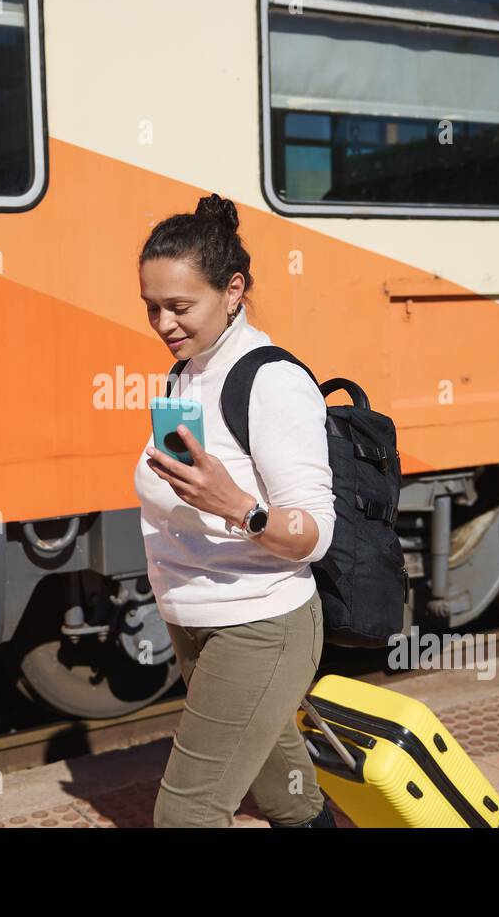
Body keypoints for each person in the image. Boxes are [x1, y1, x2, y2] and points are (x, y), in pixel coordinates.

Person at [133, 192, 337, 828]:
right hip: (194, 619)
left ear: (233, 291)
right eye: (151, 308)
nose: (163, 324)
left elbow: (315, 532)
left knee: (186, 814)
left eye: (179, 307)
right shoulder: (187, 372)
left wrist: (240, 508)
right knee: (288, 797)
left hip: (258, 624)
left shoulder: (271, 381)